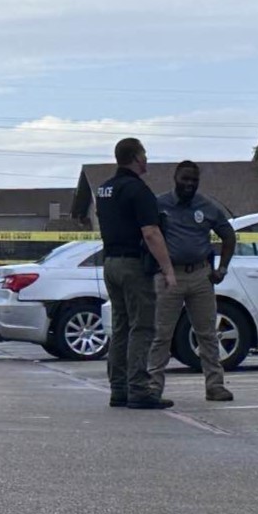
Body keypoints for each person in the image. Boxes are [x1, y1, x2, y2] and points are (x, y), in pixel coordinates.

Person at [95, 138, 178, 410]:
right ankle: (139, 389)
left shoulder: (105, 189)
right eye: (144, 154)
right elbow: (151, 232)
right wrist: (167, 269)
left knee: (120, 327)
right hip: (133, 265)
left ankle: (118, 388)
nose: (147, 159)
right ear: (135, 157)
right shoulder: (137, 190)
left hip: (110, 263)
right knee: (142, 326)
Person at [146, 161, 238, 403]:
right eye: (185, 179)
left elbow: (228, 235)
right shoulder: (159, 204)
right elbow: (146, 234)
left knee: (207, 333)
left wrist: (222, 268)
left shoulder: (206, 206)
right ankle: (153, 386)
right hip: (169, 276)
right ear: (175, 178)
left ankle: (215, 386)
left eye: (194, 180)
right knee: (161, 334)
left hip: (200, 275)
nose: (189, 184)